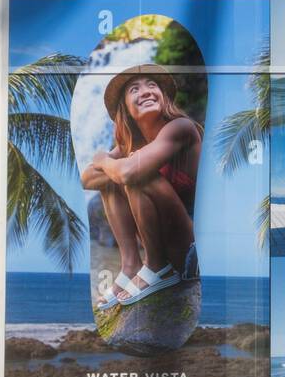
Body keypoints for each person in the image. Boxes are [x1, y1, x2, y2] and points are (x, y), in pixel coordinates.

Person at [81, 65, 203, 308]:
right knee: (111, 181)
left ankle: (158, 267)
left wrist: (105, 161)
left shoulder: (180, 128)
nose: (146, 92)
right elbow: (86, 179)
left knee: (133, 175)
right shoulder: (131, 144)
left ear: (163, 96)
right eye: (135, 89)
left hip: (192, 247)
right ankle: (131, 266)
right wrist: (114, 165)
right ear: (125, 109)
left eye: (152, 85)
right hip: (164, 240)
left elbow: (127, 171)